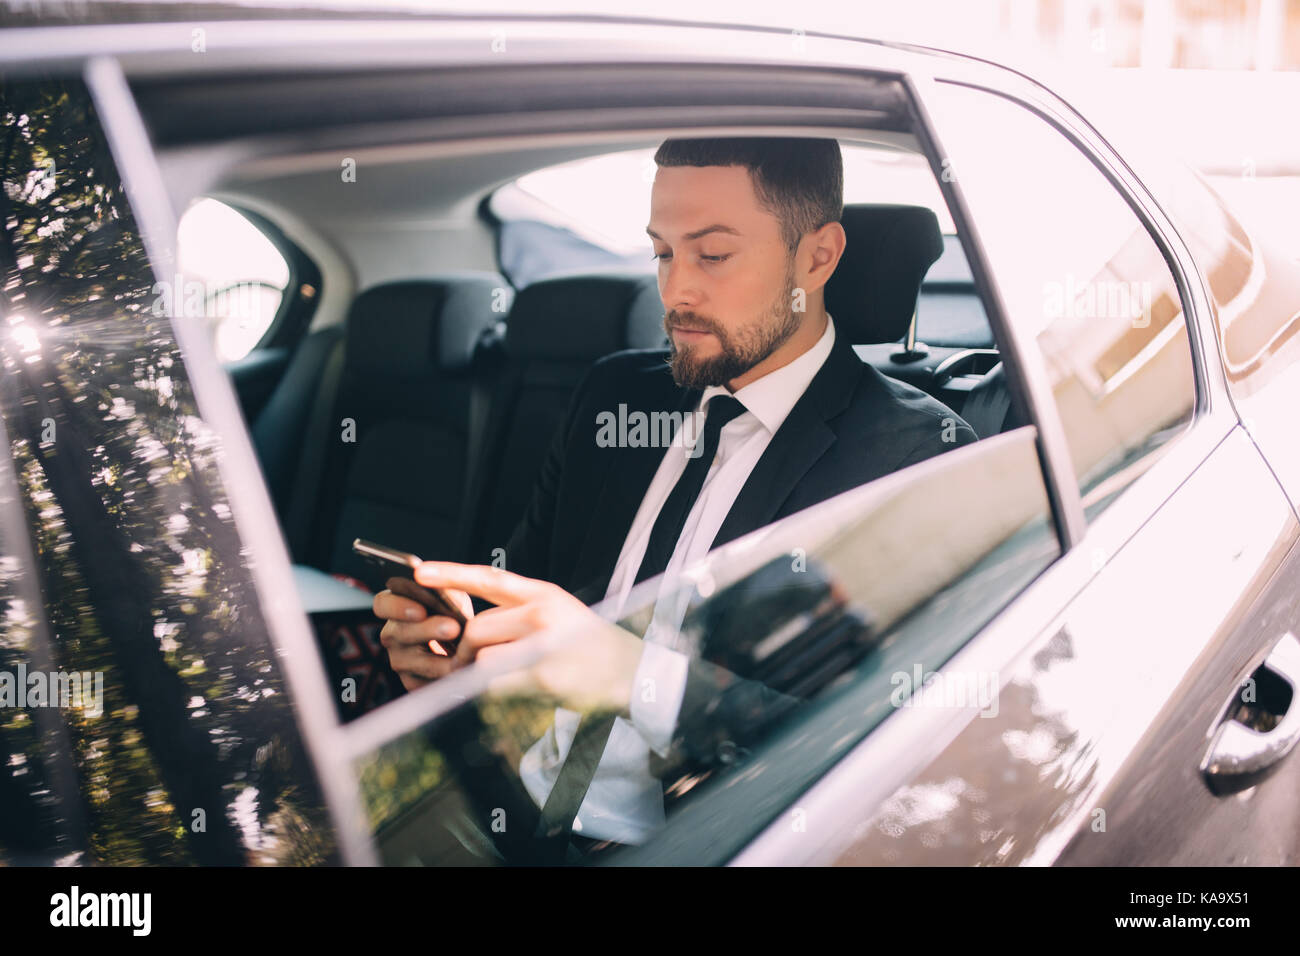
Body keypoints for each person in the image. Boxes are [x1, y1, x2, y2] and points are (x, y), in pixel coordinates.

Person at [374, 136, 976, 848]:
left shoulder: (914, 456)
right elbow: (531, 590)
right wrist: (459, 649)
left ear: (816, 258)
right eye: (662, 252)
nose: (675, 290)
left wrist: (632, 678)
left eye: (712, 255)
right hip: (508, 805)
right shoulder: (613, 393)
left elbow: (880, 747)